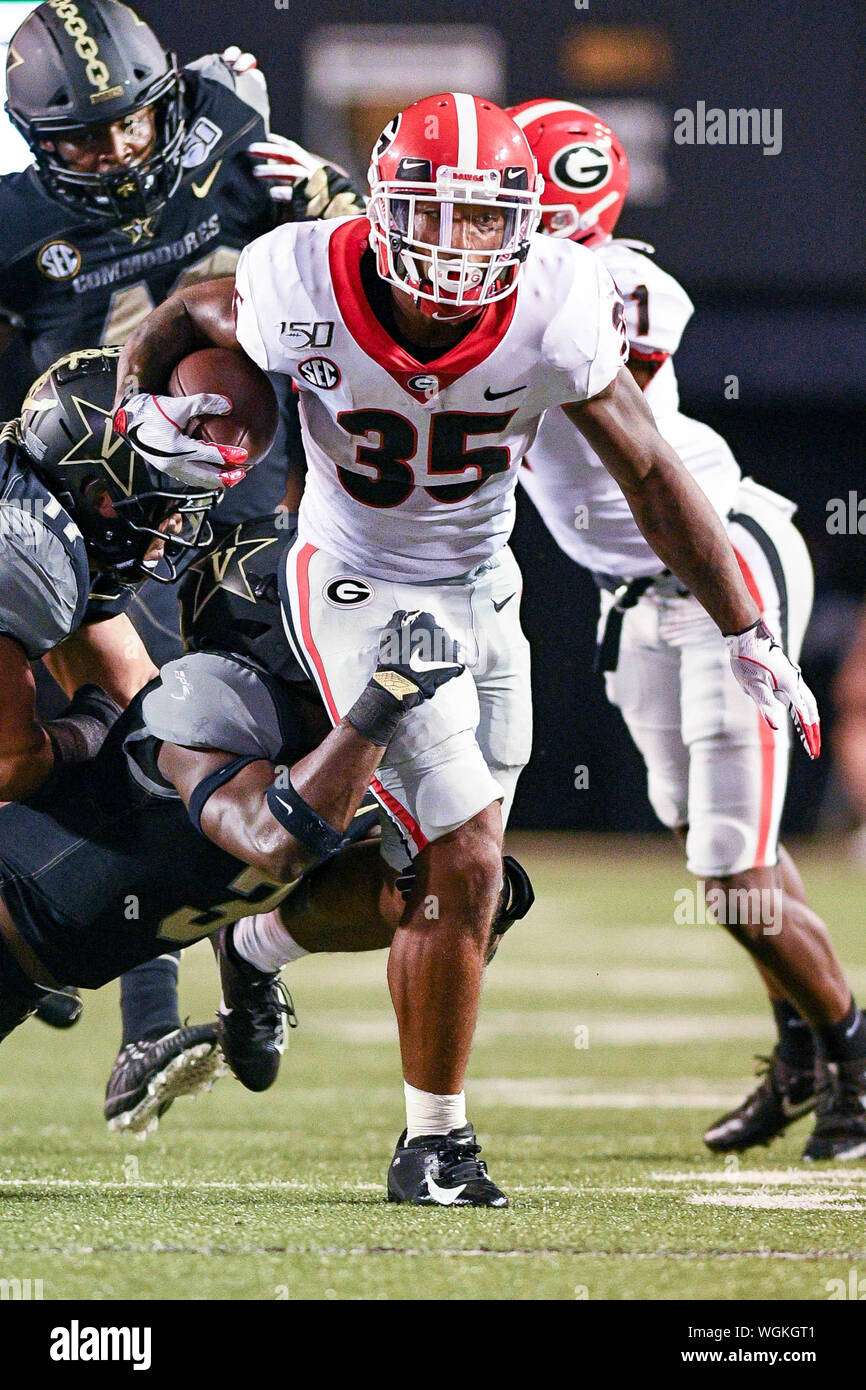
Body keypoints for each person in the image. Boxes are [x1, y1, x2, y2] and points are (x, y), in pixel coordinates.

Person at [113, 92, 819, 1205]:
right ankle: (430, 1146)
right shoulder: (302, 275)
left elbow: (650, 472)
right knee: (463, 852)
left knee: (459, 886)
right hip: (350, 574)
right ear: (383, 209)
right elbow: (191, 317)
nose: (457, 246)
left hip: (485, 586)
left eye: (486, 220)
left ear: (524, 225)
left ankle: (255, 951)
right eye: (432, 217)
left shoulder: (559, 299)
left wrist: (743, 626)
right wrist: (136, 411)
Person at [0, 0, 364, 1126]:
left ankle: (245, 954)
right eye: (79, 137)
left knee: (266, 732)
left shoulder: (225, 117)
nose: (111, 153)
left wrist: (333, 200)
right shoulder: (14, 224)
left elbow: (334, 261)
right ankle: (136, 1008)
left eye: (126, 126)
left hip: (250, 490)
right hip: (97, 500)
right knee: (137, 733)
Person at [509, 98, 866, 1160]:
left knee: (728, 863)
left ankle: (849, 1048)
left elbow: (552, 386)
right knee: (719, 854)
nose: (476, 230)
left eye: (501, 208)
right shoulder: (507, 281)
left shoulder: (621, 290)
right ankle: (802, 1047)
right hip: (637, 593)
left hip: (720, 568)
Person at [0, 344, 240, 1119]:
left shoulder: (48, 519)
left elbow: (149, 717)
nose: (176, 520)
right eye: (165, 493)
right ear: (101, 489)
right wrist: (90, 729)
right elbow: (10, 763)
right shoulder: (22, 549)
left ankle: (141, 1027)